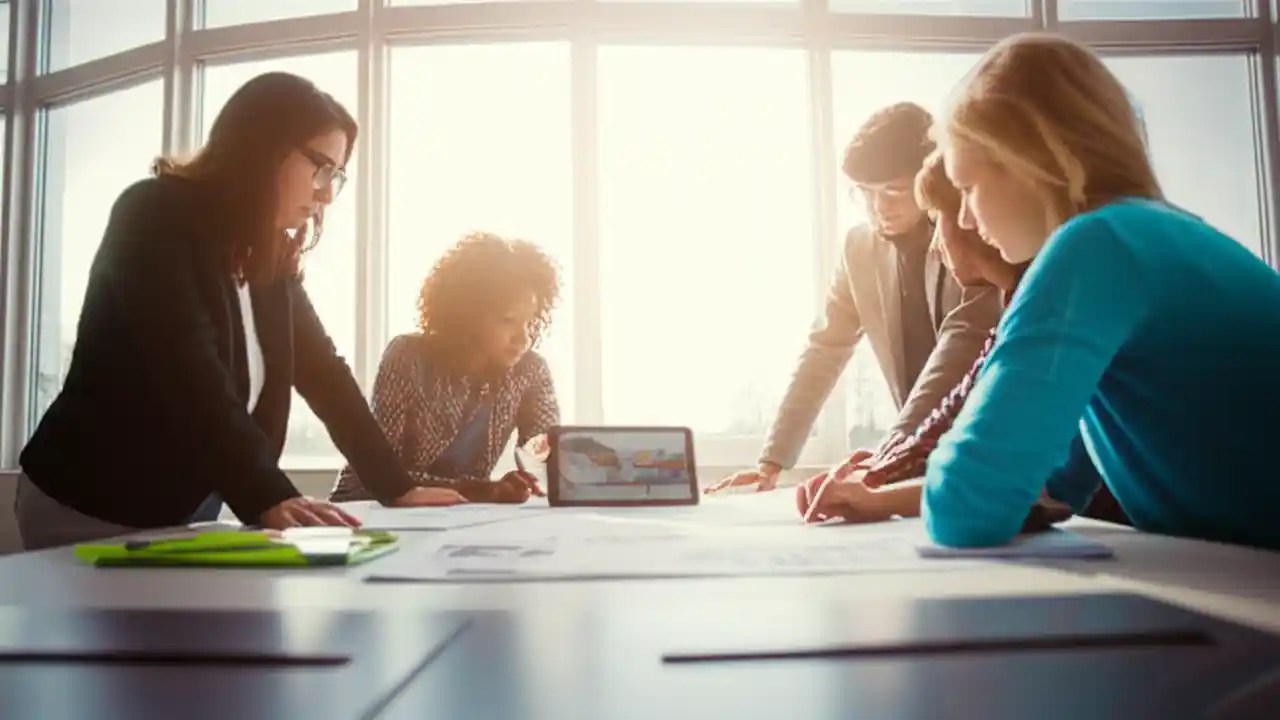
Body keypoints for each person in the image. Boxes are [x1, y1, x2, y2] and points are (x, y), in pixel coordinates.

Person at [16, 72, 459, 551]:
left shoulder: (265, 259)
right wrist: (266, 493)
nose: (327, 193)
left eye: (337, 176)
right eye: (321, 167)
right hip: (88, 503)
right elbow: (187, 368)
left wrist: (396, 485)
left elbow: (323, 372)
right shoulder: (152, 213)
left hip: (183, 510)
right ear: (263, 148)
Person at [917, 33, 1280, 550]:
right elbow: (1061, 480)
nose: (965, 220)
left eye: (968, 187)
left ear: (1027, 159)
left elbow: (967, 504)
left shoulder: (1096, 244)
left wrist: (967, 478)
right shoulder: (1162, 235)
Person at [708, 102, 1001, 494]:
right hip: (912, 457)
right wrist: (771, 462)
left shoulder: (970, 239)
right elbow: (825, 348)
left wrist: (887, 460)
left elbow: (959, 347)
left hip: (989, 446)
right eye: (864, 193)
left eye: (894, 191)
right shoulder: (858, 249)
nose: (879, 208)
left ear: (930, 178)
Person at [797, 149, 1073, 528]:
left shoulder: (1041, 311)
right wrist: (885, 465)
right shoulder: (1019, 306)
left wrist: (879, 494)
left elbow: (985, 468)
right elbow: (947, 422)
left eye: (936, 219)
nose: (936, 242)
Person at [329, 232, 561, 505]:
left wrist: (554, 459)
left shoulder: (530, 371)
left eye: (530, 322)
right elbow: (374, 473)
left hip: (457, 517)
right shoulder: (407, 357)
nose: (523, 338)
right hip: (370, 508)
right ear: (470, 315)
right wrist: (476, 490)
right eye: (508, 320)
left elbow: (545, 448)